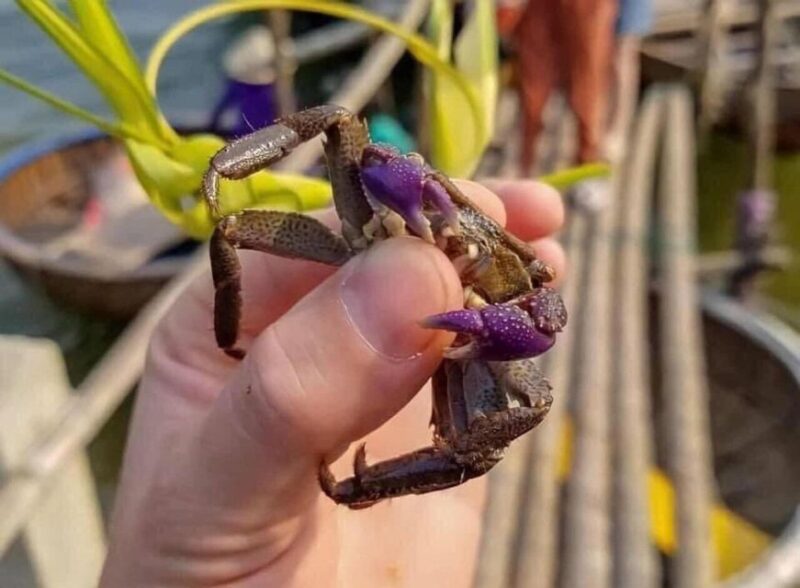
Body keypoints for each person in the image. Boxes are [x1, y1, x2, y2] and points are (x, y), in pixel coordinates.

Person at [99, 179, 565, 587]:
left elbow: (542, 338)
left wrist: (486, 321)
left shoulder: (509, 285)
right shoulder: (421, 201)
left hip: (470, 348)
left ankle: (364, 487)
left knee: (496, 432)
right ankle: (226, 337)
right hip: (364, 246)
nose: (458, 248)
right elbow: (351, 140)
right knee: (241, 222)